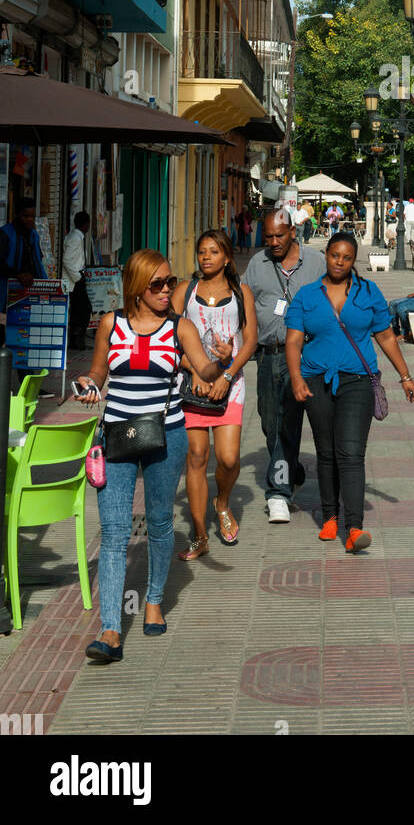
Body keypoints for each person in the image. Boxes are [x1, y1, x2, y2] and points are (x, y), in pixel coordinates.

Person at [72, 250, 220, 661]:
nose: (166, 290)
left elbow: (204, 370)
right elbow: (100, 372)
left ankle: (153, 600)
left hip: (167, 435)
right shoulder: (111, 324)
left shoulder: (179, 327)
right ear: (137, 289)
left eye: (170, 282)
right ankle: (110, 631)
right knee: (116, 533)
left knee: (157, 522)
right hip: (116, 436)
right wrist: (87, 381)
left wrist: (220, 361)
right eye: (157, 284)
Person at [285, 232, 414, 552]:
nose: (340, 262)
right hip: (315, 379)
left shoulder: (367, 292)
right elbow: (293, 340)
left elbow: (385, 336)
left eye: (346, 257)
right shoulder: (307, 295)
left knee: (350, 452)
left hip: (358, 380)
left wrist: (405, 376)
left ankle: (355, 527)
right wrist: (295, 378)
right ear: (326, 256)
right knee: (326, 451)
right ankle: (330, 516)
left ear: (353, 259)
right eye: (334, 256)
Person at [171, 230, 258, 558]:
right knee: (196, 457)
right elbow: (170, 336)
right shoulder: (185, 291)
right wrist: (193, 368)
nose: (205, 257)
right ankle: (198, 534)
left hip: (230, 383)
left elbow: (249, 340)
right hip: (192, 384)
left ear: (226, 258)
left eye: (212, 252)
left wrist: (226, 373)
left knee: (229, 458)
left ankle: (221, 503)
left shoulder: (241, 292)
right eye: (201, 252)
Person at [242, 207, 325, 521]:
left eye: (279, 235)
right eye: (268, 237)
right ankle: (293, 468)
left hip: (310, 357)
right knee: (272, 425)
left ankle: (278, 492)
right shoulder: (257, 264)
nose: (273, 242)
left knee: (296, 423)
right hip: (270, 356)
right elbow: (244, 306)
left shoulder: (316, 263)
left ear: (293, 232)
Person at [0, 196, 45, 314]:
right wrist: (18, 274)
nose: (30, 220)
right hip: (7, 295)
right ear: (16, 214)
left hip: (30, 295)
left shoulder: (34, 235)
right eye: (25, 216)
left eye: (32, 216)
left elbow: (38, 262)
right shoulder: (5, 233)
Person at [62, 210, 92, 350]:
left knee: (78, 309)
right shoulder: (75, 237)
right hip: (75, 279)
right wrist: (78, 277)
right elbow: (67, 260)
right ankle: (77, 339)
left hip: (77, 277)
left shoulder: (75, 236)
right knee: (84, 309)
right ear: (86, 224)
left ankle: (77, 340)